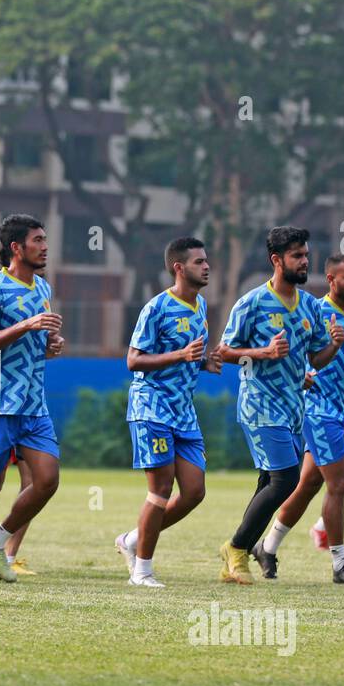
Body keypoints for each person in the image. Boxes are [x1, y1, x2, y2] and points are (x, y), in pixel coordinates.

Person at [216, 226, 344, 584]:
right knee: (287, 478)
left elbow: (315, 359)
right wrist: (263, 352)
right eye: (297, 256)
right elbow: (224, 351)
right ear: (277, 260)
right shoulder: (252, 302)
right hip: (259, 404)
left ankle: (235, 553)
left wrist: (333, 345)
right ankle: (238, 547)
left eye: (306, 255)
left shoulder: (309, 305)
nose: (305, 262)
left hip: (292, 408)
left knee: (269, 481)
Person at [252, 254, 344, 585]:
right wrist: (304, 374)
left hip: (342, 409)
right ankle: (340, 564)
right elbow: (297, 354)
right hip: (316, 409)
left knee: (307, 485)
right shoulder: (314, 311)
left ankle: (267, 546)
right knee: (339, 484)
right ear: (332, 280)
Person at [114, 237, 222, 587]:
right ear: (179, 268)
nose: (206, 266)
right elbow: (133, 361)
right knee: (160, 490)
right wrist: (180, 356)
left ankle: (132, 540)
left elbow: (188, 355)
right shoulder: (157, 307)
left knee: (194, 491)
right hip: (152, 407)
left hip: (183, 412)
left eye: (206, 261)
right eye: (198, 262)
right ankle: (142, 571)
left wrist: (204, 362)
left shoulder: (201, 305)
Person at [0, 214, 65, 583]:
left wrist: (50, 345)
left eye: (45, 240)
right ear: (16, 248)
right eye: (38, 240)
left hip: (33, 403)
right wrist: (27, 325)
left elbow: (35, 344)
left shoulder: (42, 287)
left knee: (47, 479)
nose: (44, 247)